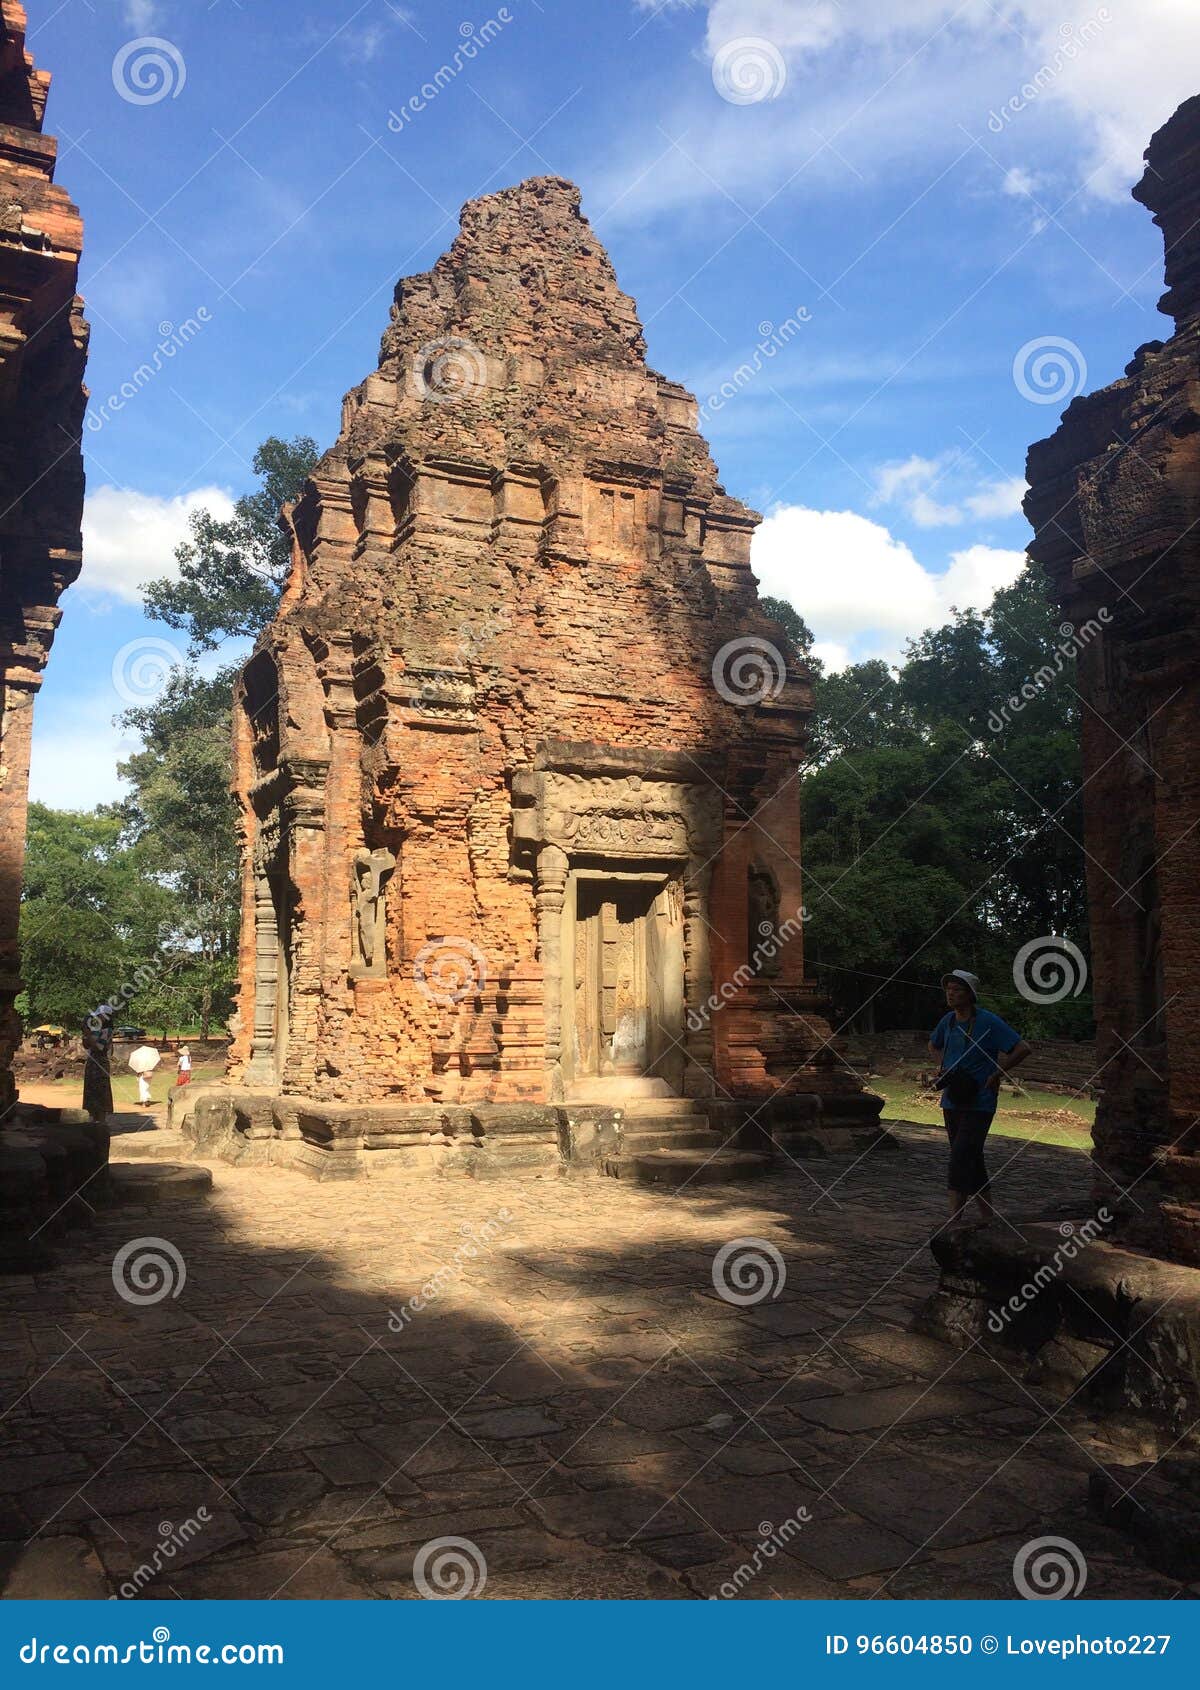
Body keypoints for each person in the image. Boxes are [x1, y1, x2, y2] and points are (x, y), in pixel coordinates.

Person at [929, 969, 1031, 1228]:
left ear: (970, 995)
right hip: (953, 1098)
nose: (951, 994)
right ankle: (988, 1217)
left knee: (961, 1157)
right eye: (949, 989)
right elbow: (933, 1044)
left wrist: (998, 1073)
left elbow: (1022, 1048)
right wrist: (941, 1067)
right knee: (971, 1157)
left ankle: (954, 1220)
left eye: (958, 990)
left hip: (980, 1100)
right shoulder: (948, 1022)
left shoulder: (989, 1022)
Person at [81, 1008, 114, 1124]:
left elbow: (98, 1047)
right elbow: (86, 1045)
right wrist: (86, 1034)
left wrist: (87, 1033)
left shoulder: (107, 1031)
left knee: (100, 1091)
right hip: (92, 1061)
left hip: (100, 1062)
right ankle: (93, 1118)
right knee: (90, 1090)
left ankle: (100, 1121)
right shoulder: (96, 1030)